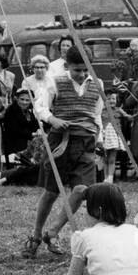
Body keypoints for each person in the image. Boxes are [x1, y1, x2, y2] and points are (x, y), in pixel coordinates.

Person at [27, 47, 106, 257]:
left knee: (81, 190)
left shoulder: (98, 85)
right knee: (52, 191)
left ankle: (52, 232)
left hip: (87, 142)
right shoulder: (55, 82)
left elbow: (96, 115)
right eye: (77, 70)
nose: (81, 74)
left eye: (85, 70)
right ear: (67, 66)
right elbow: (40, 107)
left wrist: (99, 139)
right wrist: (53, 120)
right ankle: (35, 235)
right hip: (61, 143)